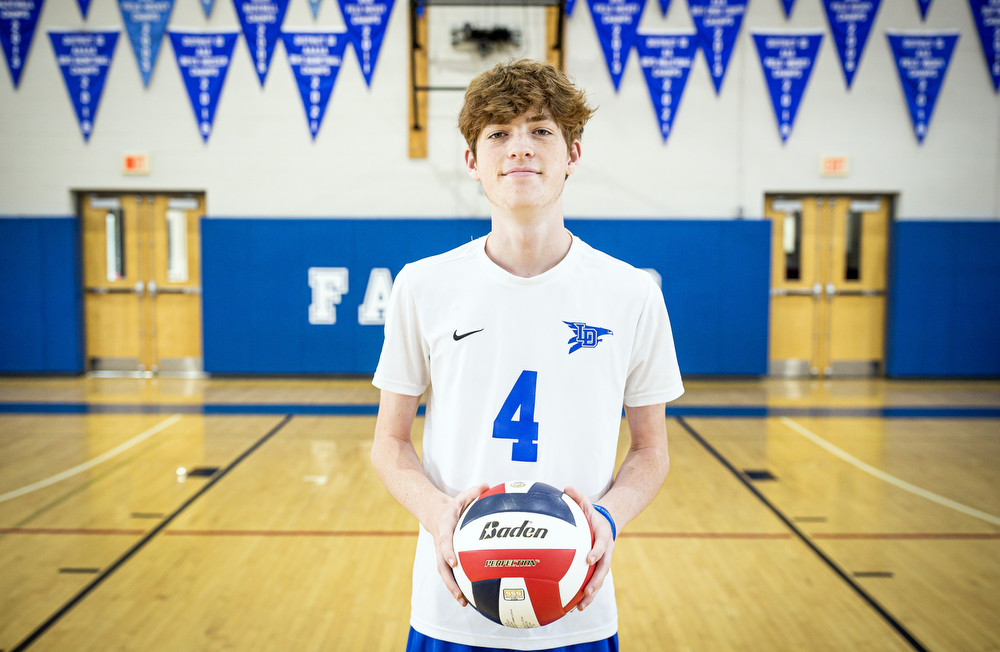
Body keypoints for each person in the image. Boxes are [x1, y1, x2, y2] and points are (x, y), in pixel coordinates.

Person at [370, 59, 684, 651]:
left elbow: (651, 449)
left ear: (573, 153)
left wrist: (607, 520)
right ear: (472, 160)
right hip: (451, 608)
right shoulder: (422, 285)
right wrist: (441, 516)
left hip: (579, 609)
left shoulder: (632, 293)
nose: (520, 148)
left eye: (541, 130)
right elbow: (389, 443)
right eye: (498, 133)